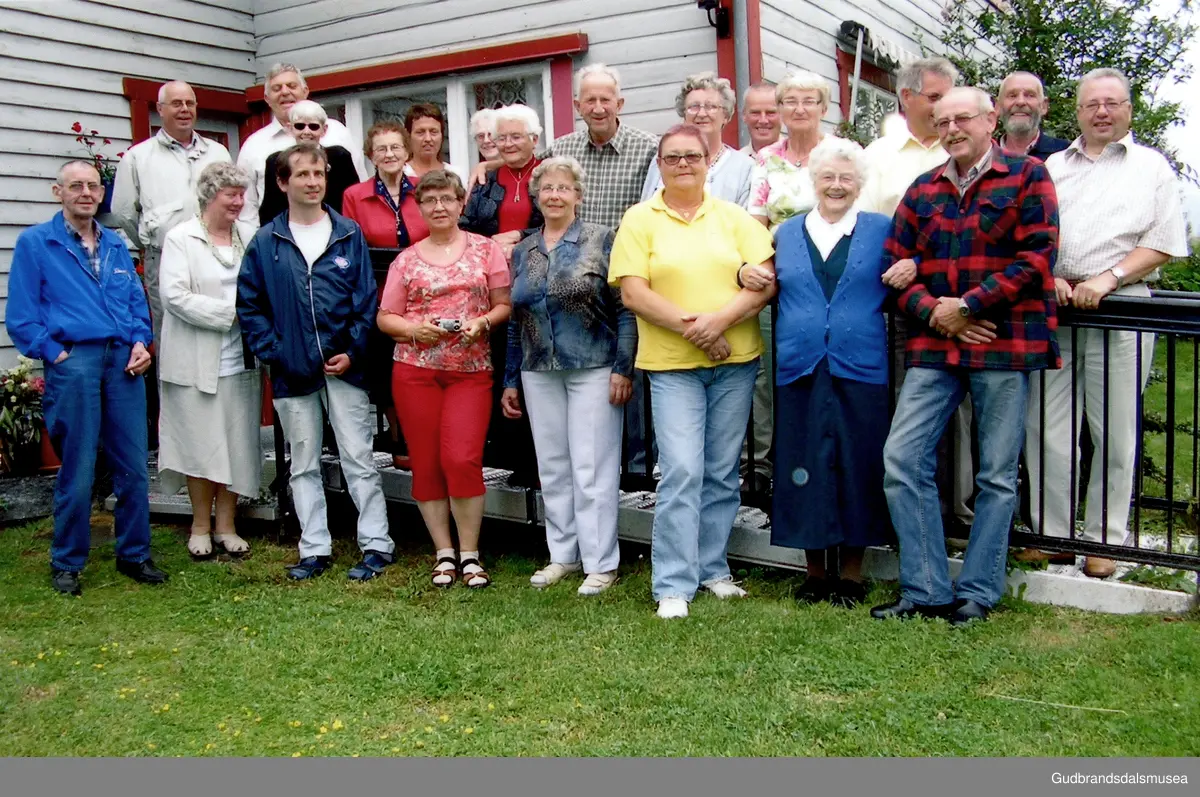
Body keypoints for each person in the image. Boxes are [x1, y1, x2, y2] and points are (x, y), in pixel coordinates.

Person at [871, 88, 1060, 627]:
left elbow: (1038, 257)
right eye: (942, 120)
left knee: (996, 473)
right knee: (903, 459)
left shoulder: (1028, 176)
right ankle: (925, 589)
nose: (952, 128)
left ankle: (978, 591)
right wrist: (937, 312)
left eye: (963, 118)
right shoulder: (923, 187)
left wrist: (970, 305)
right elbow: (892, 263)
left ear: (990, 120)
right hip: (934, 343)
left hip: (1004, 340)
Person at [1023, 68, 1188, 577]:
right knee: (1047, 427)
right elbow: (1032, 230)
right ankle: (1054, 535)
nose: (1102, 111)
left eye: (1112, 103)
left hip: (1123, 307)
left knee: (1113, 430)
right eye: (1092, 103)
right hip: (1058, 307)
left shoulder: (1151, 167)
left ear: (1128, 110)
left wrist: (1109, 279)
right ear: (1077, 111)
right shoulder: (1052, 165)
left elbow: (1164, 242)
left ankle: (1104, 541)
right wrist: (1047, 272)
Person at [609, 124, 776, 620]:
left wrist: (720, 322)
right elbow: (633, 294)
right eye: (673, 157)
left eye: (693, 157)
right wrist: (697, 329)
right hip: (673, 365)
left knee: (722, 472)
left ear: (708, 163)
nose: (684, 165)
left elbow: (765, 280)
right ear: (659, 165)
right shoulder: (640, 219)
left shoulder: (734, 218)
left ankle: (713, 568)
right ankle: (673, 583)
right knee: (681, 470)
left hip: (734, 362)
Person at [763, 138, 913, 608]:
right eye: (828, 176)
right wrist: (748, 272)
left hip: (860, 363)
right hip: (800, 363)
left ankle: (850, 574)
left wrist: (910, 267)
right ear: (813, 179)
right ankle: (813, 573)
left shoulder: (881, 229)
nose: (836, 185)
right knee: (802, 463)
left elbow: (906, 274)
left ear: (860, 185)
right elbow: (765, 277)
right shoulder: (785, 232)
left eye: (846, 178)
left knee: (858, 463)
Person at [6, 161, 165, 596]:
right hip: (74, 361)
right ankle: (67, 561)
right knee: (77, 465)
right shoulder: (38, 243)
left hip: (123, 363)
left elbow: (136, 302)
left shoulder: (114, 244)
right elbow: (21, 316)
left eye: (93, 186)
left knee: (133, 463)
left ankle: (134, 553)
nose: (85, 192)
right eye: (75, 185)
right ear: (58, 191)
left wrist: (140, 342)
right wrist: (55, 353)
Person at [237, 142, 393, 582]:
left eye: (319, 174)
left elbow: (366, 300)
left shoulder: (347, 233)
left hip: (347, 368)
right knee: (302, 463)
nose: (312, 182)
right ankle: (315, 548)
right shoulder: (266, 241)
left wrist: (354, 349)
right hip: (293, 372)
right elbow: (250, 306)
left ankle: (377, 545)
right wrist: (276, 352)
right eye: (302, 175)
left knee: (358, 458)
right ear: (283, 182)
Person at [501, 157, 636, 595]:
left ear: (578, 195)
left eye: (564, 188)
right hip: (539, 369)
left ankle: (601, 562)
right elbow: (515, 319)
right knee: (554, 466)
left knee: (592, 465)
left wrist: (623, 366)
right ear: (537, 196)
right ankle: (563, 554)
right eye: (547, 188)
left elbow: (624, 308)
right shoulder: (525, 249)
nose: (555, 195)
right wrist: (509, 379)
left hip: (593, 366)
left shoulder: (601, 239)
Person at [377, 170, 512, 589]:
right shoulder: (406, 259)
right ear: (420, 207)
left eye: (447, 199)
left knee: (462, 458)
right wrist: (414, 330)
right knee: (427, 462)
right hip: (415, 371)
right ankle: (444, 553)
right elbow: (385, 317)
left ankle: (471, 553)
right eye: (430, 200)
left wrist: (482, 324)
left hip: (469, 372)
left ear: (460, 204)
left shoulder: (486, 250)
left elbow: (503, 304)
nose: (439, 207)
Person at [858, 57, 975, 537]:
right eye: (935, 99)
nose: (945, 111)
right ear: (906, 98)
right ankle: (905, 515)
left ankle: (958, 514)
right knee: (905, 413)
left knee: (965, 420)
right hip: (902, 308)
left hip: (972, 308)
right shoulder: (878, 156)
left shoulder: (963, 154)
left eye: (951, 100)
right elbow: (865, 235)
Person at [157, 163, 261, 559]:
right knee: (199, 444)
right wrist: (235, 313)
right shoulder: (181, 238)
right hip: (194, 357)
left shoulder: (248, 236)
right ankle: (200, 525)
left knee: (237, 442)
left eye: (241, 194)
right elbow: (175, 297)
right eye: (230, 194)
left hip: (241, 358)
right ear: (209, 196)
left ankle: (227, 525)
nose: (238, 201)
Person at [459, 104, 545, 488]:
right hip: (493, 290)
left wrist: (521, 238)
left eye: (516, 136)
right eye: (501, 137)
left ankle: (542, 462)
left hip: (539, 286)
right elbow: (465, 228)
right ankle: (513, 460)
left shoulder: (548, 175)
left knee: (534, 369)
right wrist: (488, 243)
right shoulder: (485, 182)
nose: (508, 143)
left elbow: (562, 221)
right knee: (500, 370)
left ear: (534, 139)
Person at [112, 80, 232, 347]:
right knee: (170, 333)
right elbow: (123, 213)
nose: (184, 109)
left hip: (215, 253)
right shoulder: (138, 157)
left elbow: (234, 200)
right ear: (160, 109)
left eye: (190, 103)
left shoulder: (217, 152)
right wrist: (152, 240)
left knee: (218, 326)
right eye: (176, 103)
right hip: (164, 255)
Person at [342, 121, 430, 467]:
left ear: (407, 152)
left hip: (426, 297)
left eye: (396, 147)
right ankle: (400, 441)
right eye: (382, 149)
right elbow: (352, 249)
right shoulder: (355, 195)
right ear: (370, 156)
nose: (389, 154)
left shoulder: (424, 189)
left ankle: (425, 437)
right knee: (390, 373)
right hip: (381, 299)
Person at [236, 63, 365, 226]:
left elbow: (358, 190)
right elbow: (248, 210)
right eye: (277, 88)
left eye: (291, 86)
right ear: (267, 99)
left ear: (305, 91)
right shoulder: (254, 146)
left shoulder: (337, 132)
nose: (285, 92)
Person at [641, 72, 754, 207]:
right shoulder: (663, 160)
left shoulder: (744, 167)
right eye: (693, 107)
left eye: (710, 106)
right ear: (683, 114)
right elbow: (646, 207)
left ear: (726, 115)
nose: (701, 114)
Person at [748, 70, 837, 231]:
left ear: (823, 109)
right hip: (777, 252)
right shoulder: (767, 157)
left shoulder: (841, 153)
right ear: (780, 109)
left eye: (809, 102)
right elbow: (756, 223)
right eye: (791, 102)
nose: (800, 109)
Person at [257, 101, 359, 225]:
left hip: (336, 229)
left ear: (324, 129)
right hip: (290, 230)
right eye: (299, 126)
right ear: (290, 128)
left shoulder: (340, 157)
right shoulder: (276, 161)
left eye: (313, 126)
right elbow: (270, 207)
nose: (306, 131)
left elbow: (353, 200)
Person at [996, 71, 1070, 159]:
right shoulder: (983, 155)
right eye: (1012, 95)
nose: (1020, 102)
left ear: (1043, 106)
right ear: (998, 106)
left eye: (1030, 95)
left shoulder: (1067, 154)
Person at [405, 103, 463, 184]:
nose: (428, 139)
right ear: (408, 136)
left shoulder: (455, 174)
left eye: (433, 132)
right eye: (420, 132)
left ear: (442, 135)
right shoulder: (401, 174)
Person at [740, 82, 782, 157]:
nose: (763, 120)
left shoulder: (799, 160)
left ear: (783, 114)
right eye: (755, 113)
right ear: (744, 115)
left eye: (770, 113)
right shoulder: (736, 162)